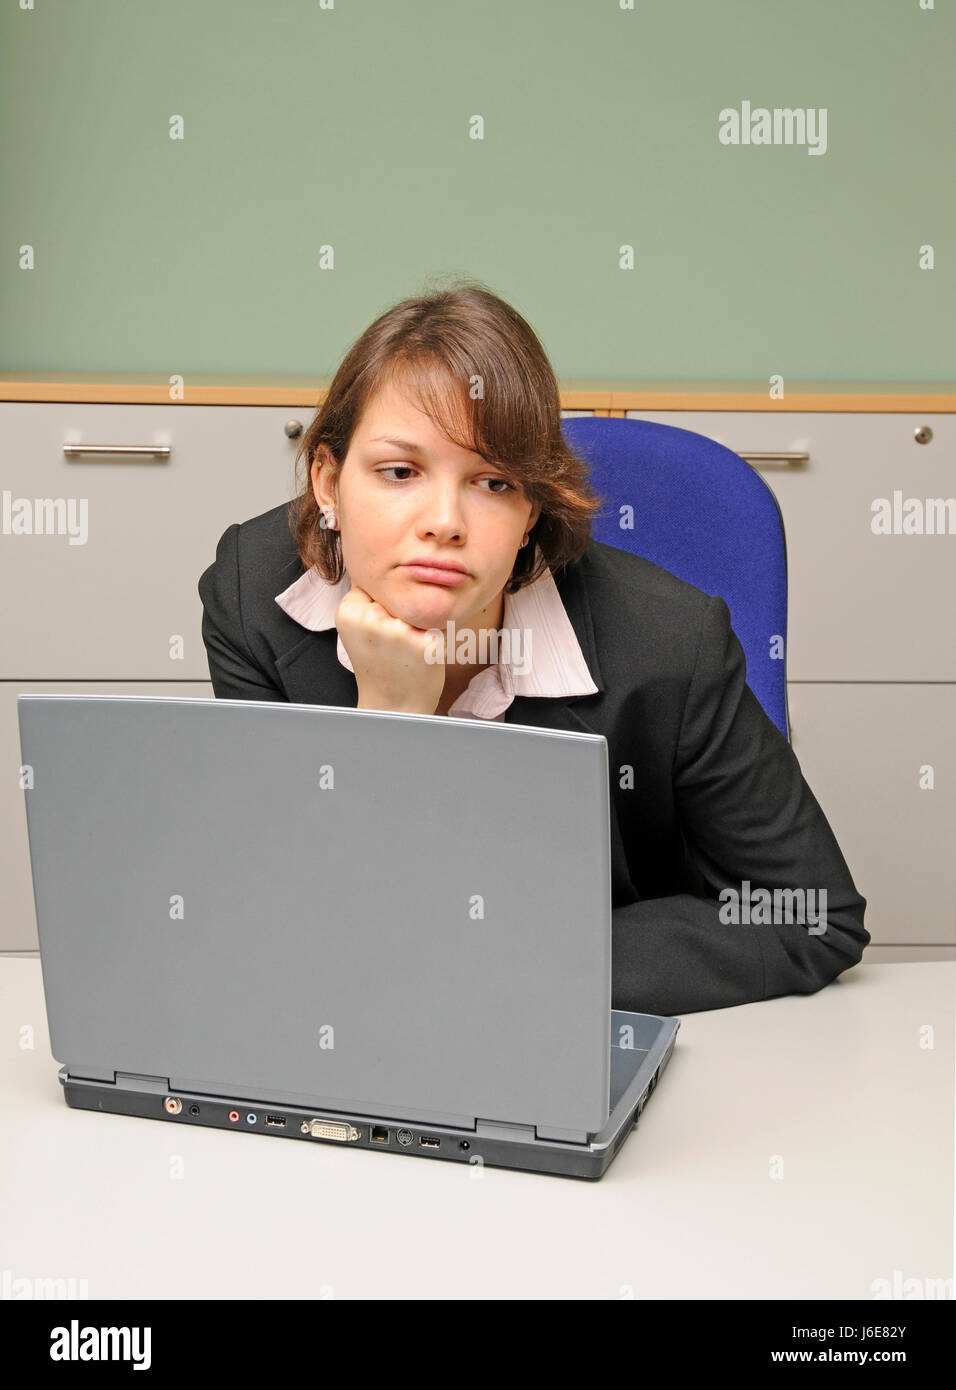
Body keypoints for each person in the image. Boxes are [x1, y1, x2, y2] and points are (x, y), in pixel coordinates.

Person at [198, 280, 868, 1015]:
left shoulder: (672, 642)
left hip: (576, 1031)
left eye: (493, 482)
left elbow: (810, 913)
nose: (444, 522)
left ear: (531, 515)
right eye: (399, 472)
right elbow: (291, 902)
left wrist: (516, 960)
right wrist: (389, 721)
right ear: (328, 481)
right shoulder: (253, 595)